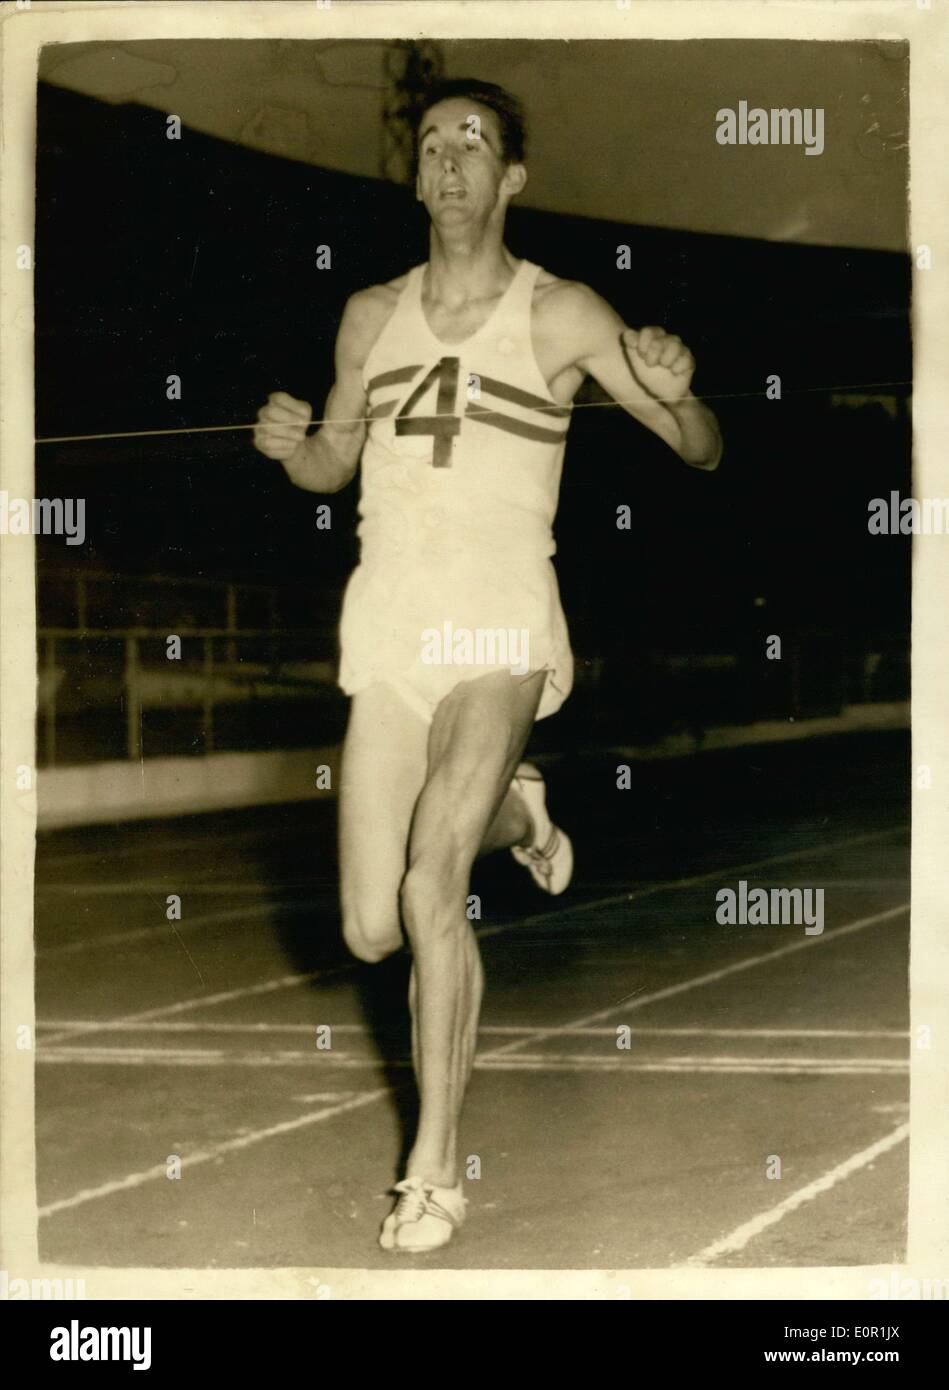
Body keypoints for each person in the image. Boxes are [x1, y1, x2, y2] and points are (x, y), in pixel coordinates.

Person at [253, 78, 722, 1252]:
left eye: (475, 140)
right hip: (394, 634)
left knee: (429, 887)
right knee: (369, 924)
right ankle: (521, 812)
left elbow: (700, 446)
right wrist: (290, 447)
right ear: (417, 180)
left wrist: (677, 393)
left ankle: (435, 1169)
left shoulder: (560, 313)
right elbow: (327, 466)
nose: (450, 157)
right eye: (431, 142)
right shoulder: (369, 317)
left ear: (510, 178)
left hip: (499, 630)